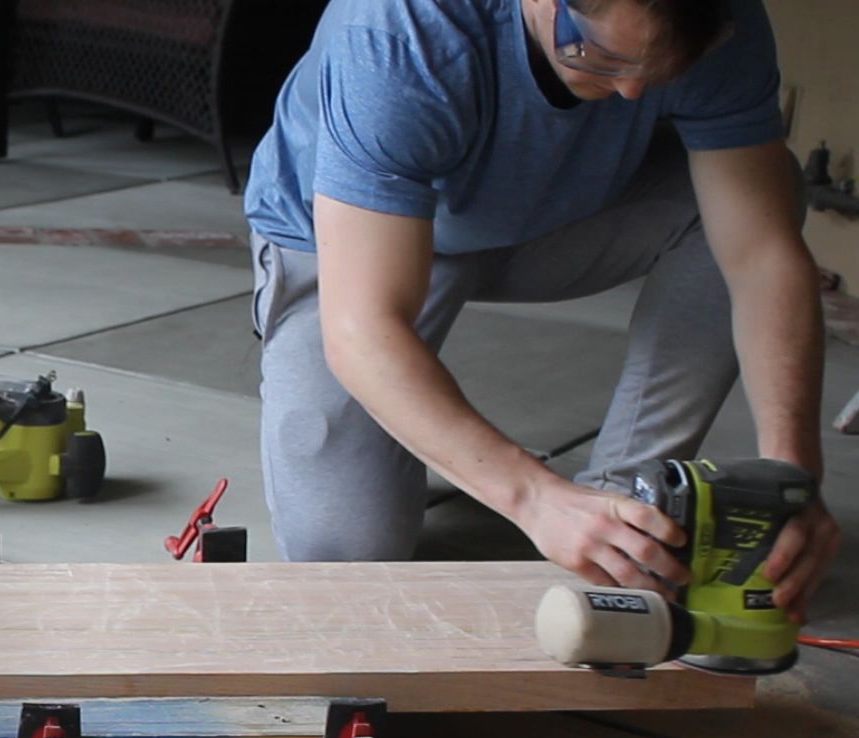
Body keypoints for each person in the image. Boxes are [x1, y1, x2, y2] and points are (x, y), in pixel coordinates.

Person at [246, 0, 839, 621]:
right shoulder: (400, 31)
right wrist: (530, 496)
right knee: (345, 552)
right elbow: (362, 328)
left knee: (766, 196)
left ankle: (621, 510)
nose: (632, 91)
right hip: (348, 243)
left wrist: (792, 475)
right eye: (602, 57)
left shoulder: (719, 19)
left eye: (659, 69)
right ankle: (551, 506)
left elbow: (761, 257)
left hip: (548, 215)